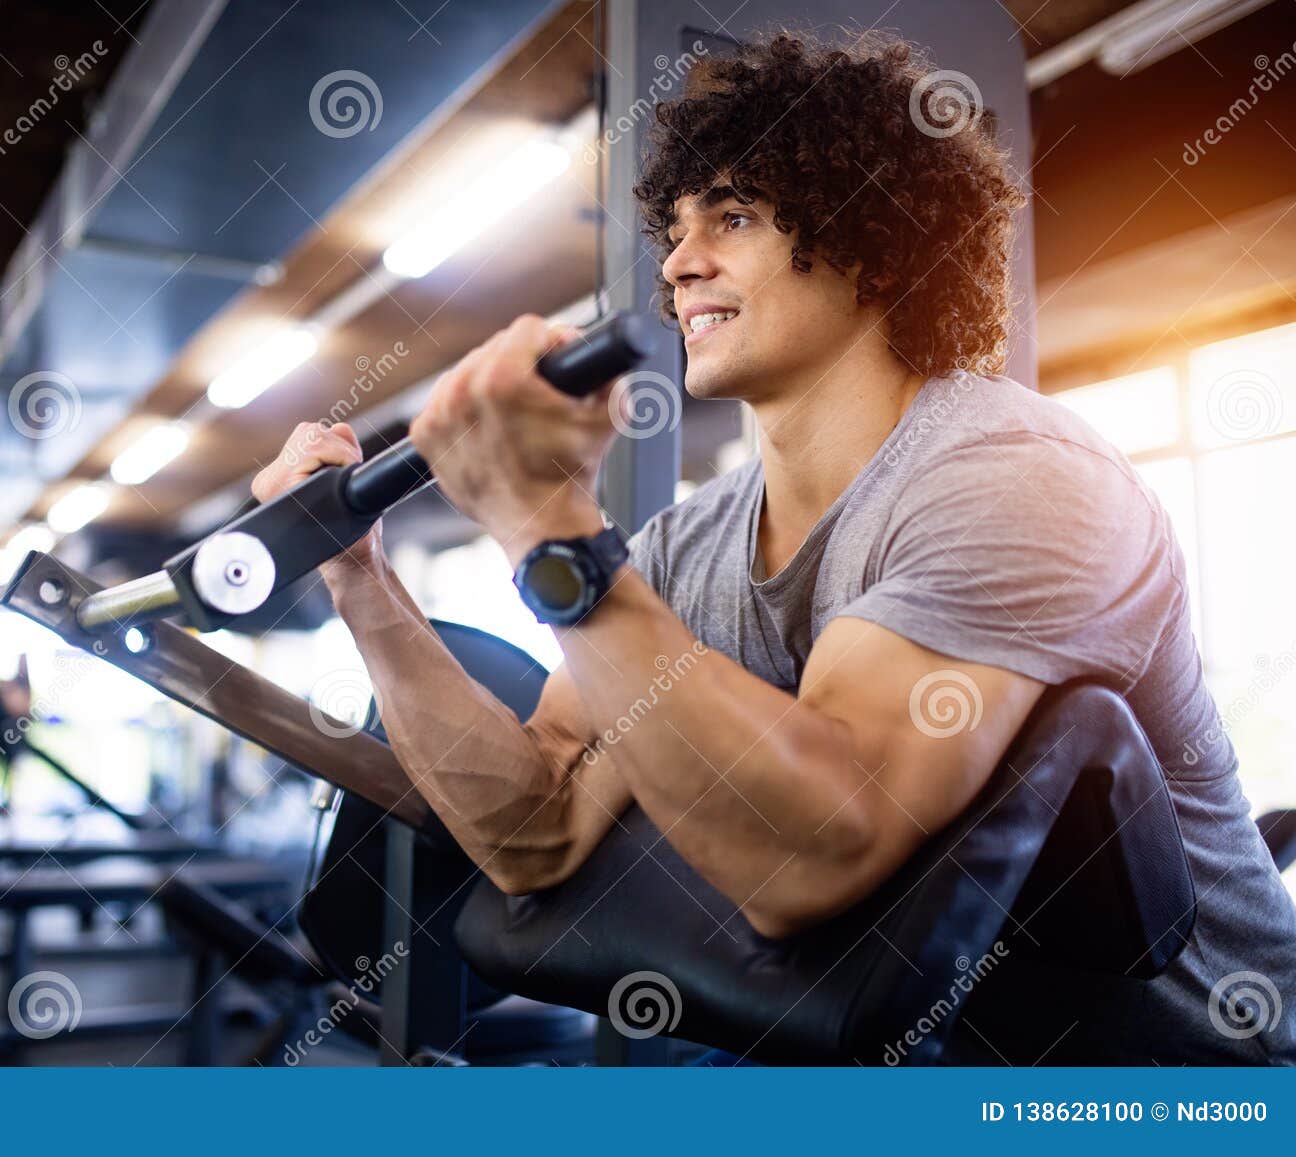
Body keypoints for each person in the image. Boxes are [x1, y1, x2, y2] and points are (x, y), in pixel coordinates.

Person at [254, 31, 1296, 1063]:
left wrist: (543, 522)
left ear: (870, 241)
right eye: (675, 226)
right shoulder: (683, 548)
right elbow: (536, 832)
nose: (677, 261)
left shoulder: (1023, 478)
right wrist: (361, 580)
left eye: (733, 216)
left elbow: (818, 849)